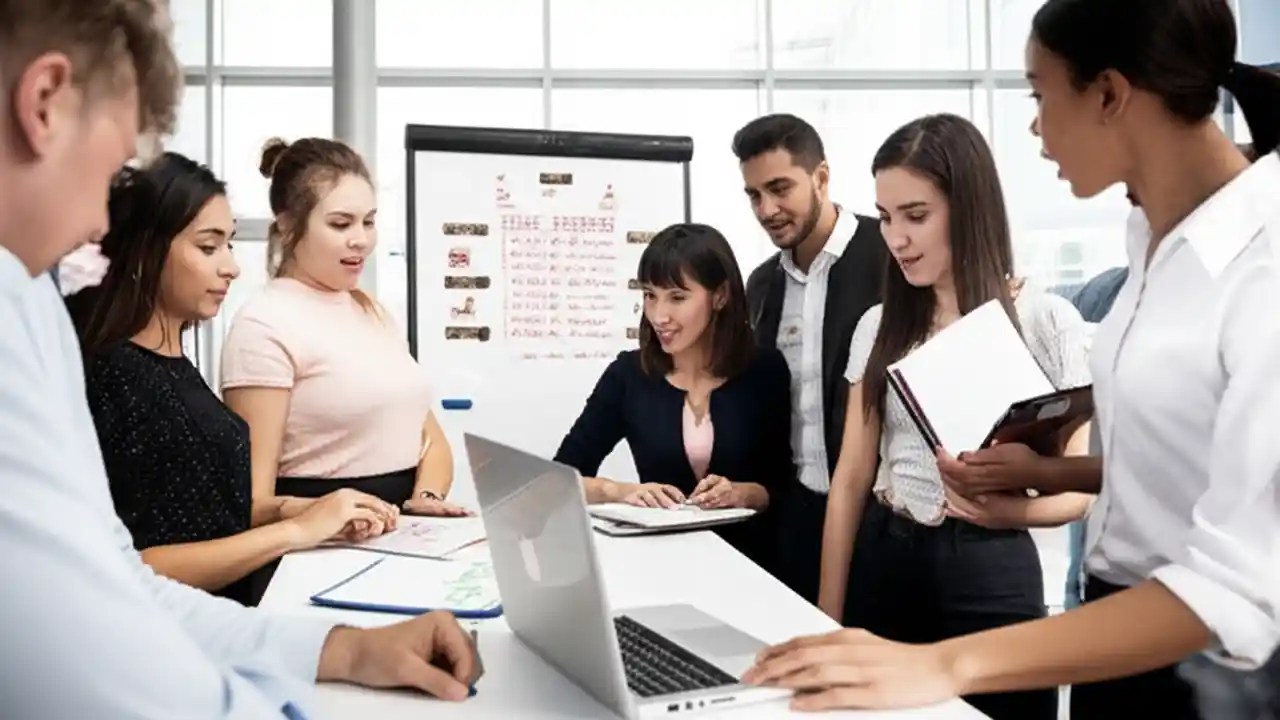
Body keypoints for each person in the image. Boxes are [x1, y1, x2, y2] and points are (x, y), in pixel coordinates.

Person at [742, 1, 1280, 717]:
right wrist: (1049, 471)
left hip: (1208, 660)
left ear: (1110, 95)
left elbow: (1243, 583)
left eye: (1037, 93)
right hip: (1113, 622)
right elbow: (1181, 462)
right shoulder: (1147, 245)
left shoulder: (1260, 263)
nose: (1032, 126)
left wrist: (945, 663)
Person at [0, 1, 479, 717]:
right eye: (109, 170)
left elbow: (123, 583)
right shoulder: (35, 310)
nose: (104, 224)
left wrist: (344, 650)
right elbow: (76, 637)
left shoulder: (30, 304)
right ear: (44, 104)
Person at [818, 113, 1093, 720]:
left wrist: (1008, 510)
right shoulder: (878, 327)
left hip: (991, 571)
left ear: (967, 209)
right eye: (886, 218)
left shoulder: (1046, 322)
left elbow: (1080, 490)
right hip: (886, 562)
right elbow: (849, 482)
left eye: (916, 216)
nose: (896, 238)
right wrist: (827, 624)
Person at [67, 152, 398, 607]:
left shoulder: (170, 361)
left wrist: (297, 509)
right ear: (146, 250)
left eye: (230, 244)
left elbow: (208, 508)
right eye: (209, 247)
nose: (232, 267)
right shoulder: (116, 376)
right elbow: (135, 564)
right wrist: (295, 530)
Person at [221, 137, 468, 515]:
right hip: (318, 550)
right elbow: (250, 503)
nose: (361, 241)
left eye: (369, 222)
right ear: (288, 226)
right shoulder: (265, 324)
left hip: (397, 534)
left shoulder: (370, 311)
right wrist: (331, 514)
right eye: (341, 224)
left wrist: (426, 498)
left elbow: (430, 440)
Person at [554, 222, 794, 566]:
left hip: (752, 569)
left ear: (721, 295)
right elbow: (560, 477)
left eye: (677, 297)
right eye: (650, 295)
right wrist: (620, 492)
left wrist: (743, 493)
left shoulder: (764, 371)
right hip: (662, 565)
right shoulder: (628, 376)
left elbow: (781, 487)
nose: (659, 315)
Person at [735, 113, 888, 605]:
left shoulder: (890, 258)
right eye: (754, 195)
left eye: (780, 188)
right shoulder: (761, 286)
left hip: (881, 515)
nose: (767, 209)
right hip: (794, 514)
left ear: (821, 177)